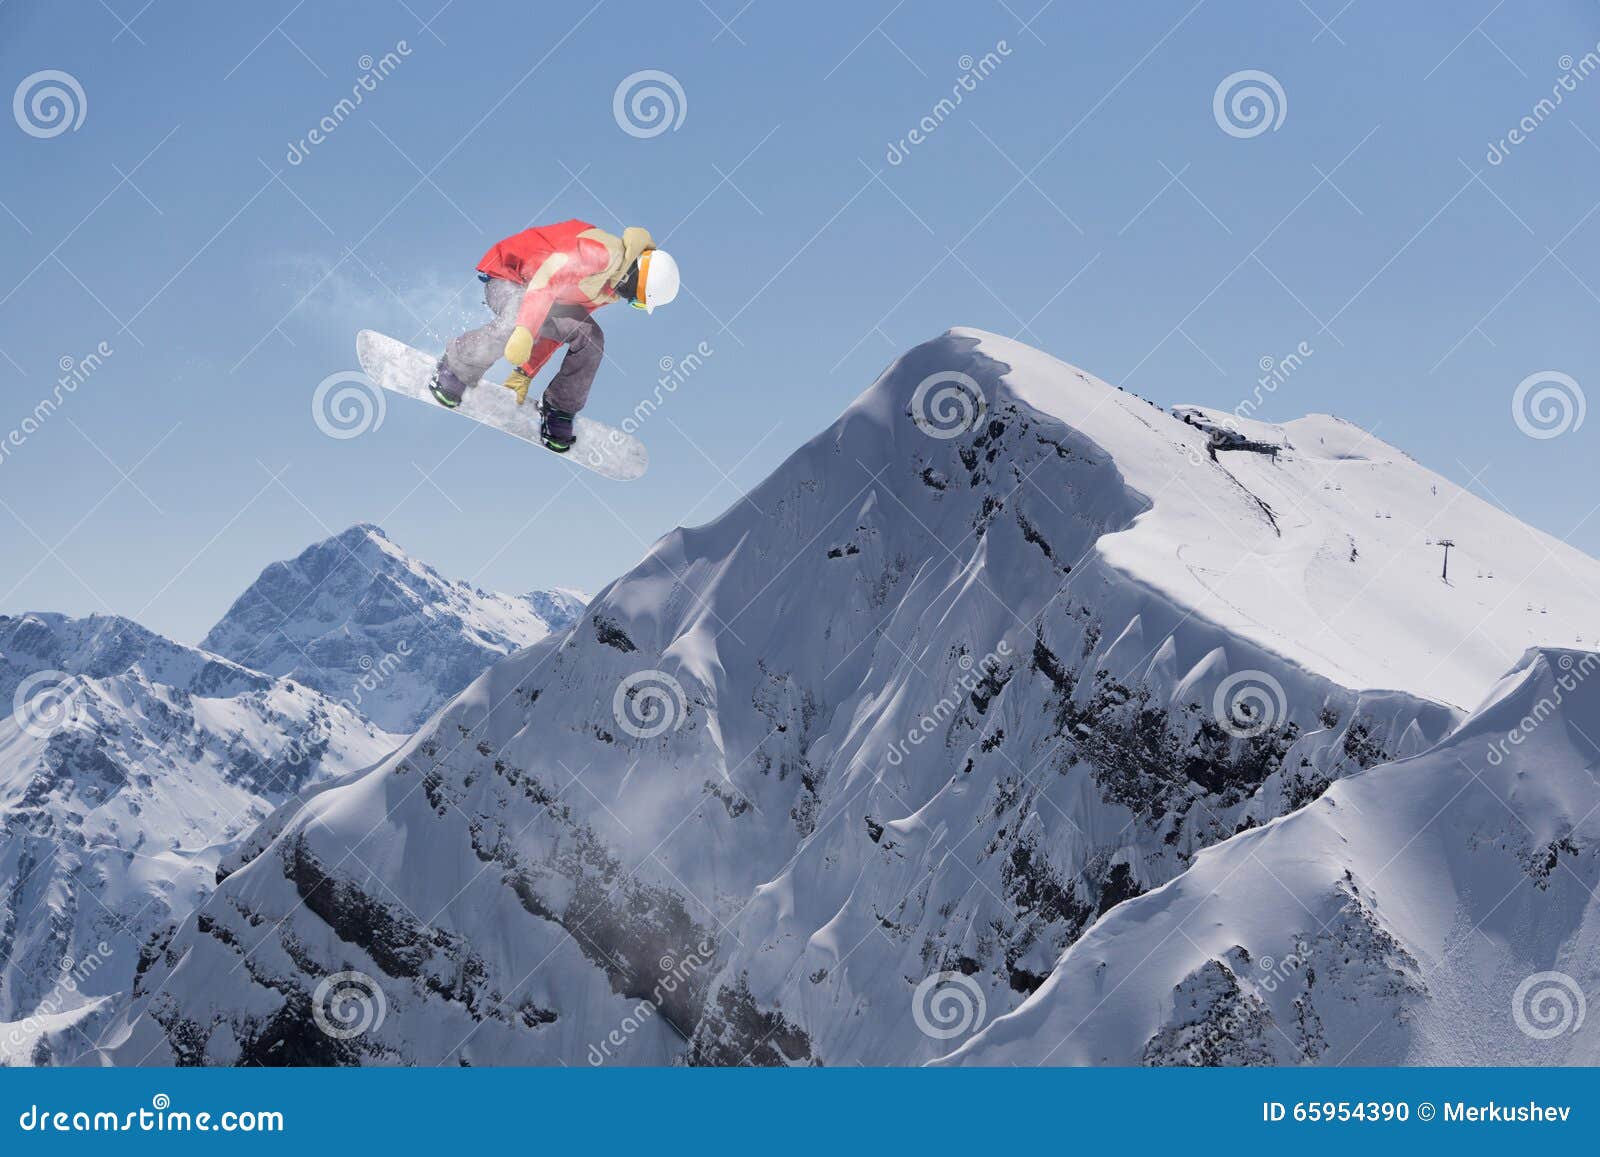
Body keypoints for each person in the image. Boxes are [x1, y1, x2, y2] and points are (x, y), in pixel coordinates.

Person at [430, 219, 680, 452]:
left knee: (591, 338)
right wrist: (525, 331)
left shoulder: (608, 291)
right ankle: (456, 366)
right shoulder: (598, 253)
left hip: (546, 300)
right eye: (637, 300)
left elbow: (559, 328)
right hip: (512, 276)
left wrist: (525, 372)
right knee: (516, 319)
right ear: (635, 277)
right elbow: (544, 283)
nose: (630, 303)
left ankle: (560, 409)